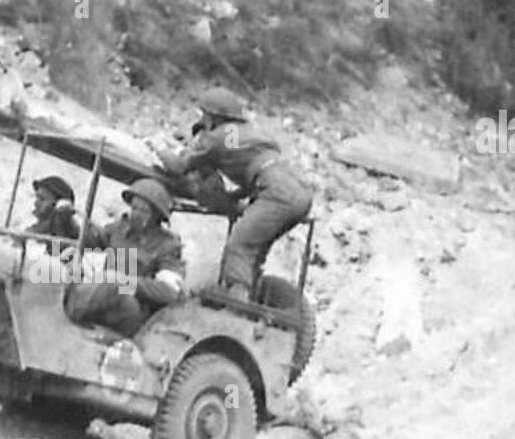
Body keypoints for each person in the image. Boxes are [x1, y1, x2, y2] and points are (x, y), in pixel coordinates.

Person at [156, 86, 312, 300]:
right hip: (294, 190)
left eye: (205, 117)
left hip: (277, 193)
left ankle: (237, 305)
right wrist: (230, 197)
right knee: (253, 250)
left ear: (212, 117)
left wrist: (158, 148)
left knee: (240, 244)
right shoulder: (245, 134)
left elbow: (179, 165)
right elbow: (244, 161)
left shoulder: (218, 137)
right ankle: (249, 297)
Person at [65, 178, 185, 338]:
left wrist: (125, 282)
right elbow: (90, 241)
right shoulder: (120, 229)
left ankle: (70, 316)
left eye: (144, 211)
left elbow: (168, 291)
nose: (136, 214)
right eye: (134, 208)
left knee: (110, 285)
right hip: (103, 296)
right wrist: (68, 220)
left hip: (133, 309)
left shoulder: (168, 245)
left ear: (156, 215)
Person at [27, 175, 80, 241]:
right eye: (37, 198)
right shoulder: (38, 229)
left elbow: (56, 250)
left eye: (42, 199)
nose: (36, 203)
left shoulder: (60, 234)